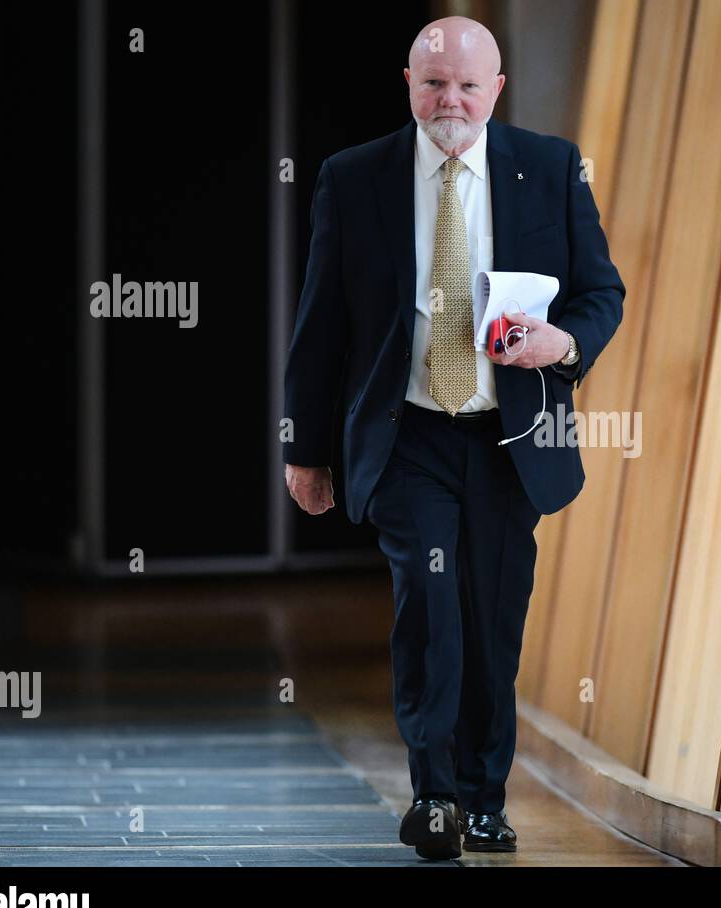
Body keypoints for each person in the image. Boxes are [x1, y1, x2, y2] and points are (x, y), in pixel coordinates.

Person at [281, 15, 625, 860]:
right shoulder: (355, 178)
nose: (451, 101)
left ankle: (485, 800)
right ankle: (433, 796)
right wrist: (304, 449)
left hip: (509, 441)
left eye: (469, 86)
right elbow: (320, 323)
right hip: (408, 437)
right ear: (409, 83)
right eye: (435, 84)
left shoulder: (548, 169)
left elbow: (600, 293)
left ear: (496, 90)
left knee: (491, 621)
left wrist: (563, 344)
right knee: (429, 608)